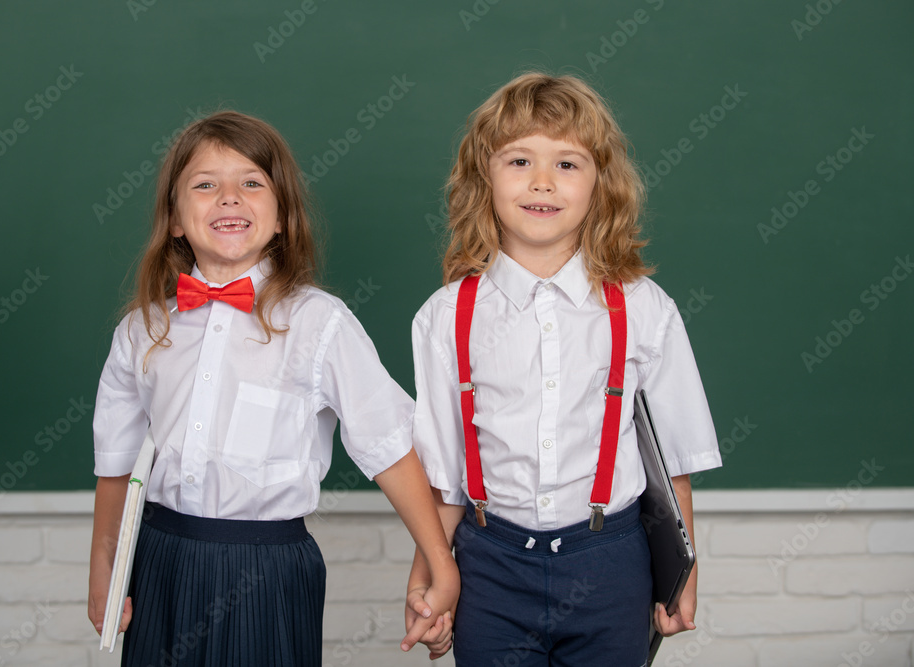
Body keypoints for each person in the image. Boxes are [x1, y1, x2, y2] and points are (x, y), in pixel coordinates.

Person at [87, 111, 458, 666]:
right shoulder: (143, 329)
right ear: (175, 221)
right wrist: (105, 568)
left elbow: (389, 449)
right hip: (159, 557)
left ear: (283, 216)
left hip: (268, 569)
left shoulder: (320, 323)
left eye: (252, 183)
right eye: (206, 184)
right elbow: (115, 462)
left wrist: (439, 564)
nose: (229, 197)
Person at [404, 72, 722, 664]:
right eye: (519, 160)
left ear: (602, 184)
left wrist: (685, 573)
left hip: (610, 564)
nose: (543, 182)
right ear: (483, 179)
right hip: (488, 564)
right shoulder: (445, 317)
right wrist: (428, 579)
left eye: (568, 164)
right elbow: (443, 476)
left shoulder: (645, 308)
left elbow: (673, 460)